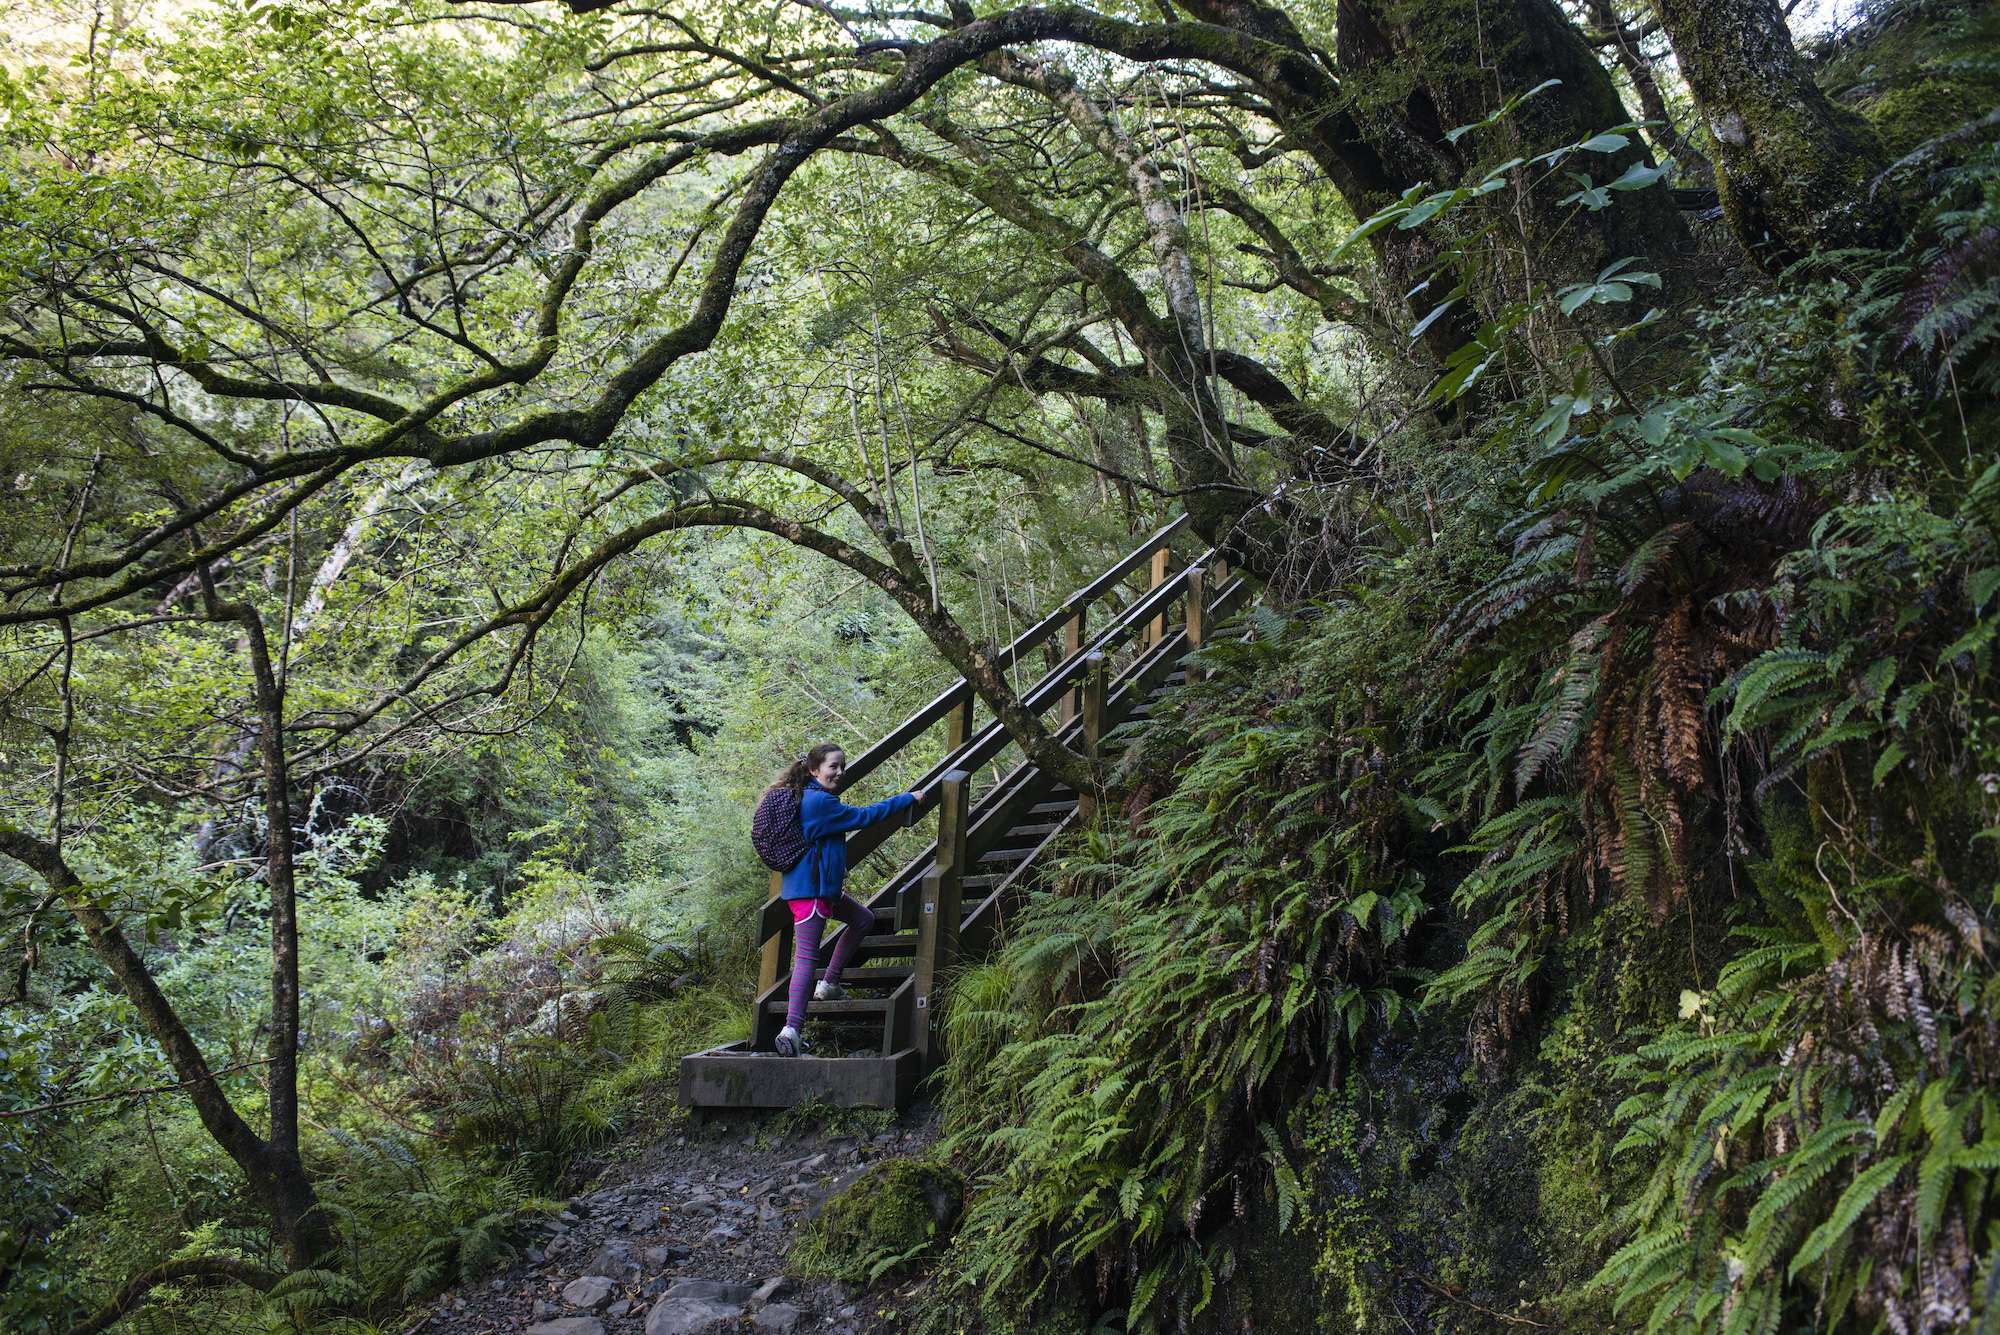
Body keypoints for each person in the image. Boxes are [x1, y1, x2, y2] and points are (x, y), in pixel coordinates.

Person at [764, 743, 917, 1057]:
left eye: (842, 766)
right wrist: (907, 799)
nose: (840, 772)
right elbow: (865, 816)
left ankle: (830, 983)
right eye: (833, 766)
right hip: (812, 892)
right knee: (806, 960)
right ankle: (791, 1030)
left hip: (819, 888)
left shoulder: (807, 797)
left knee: (863, 919)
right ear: (813, 770)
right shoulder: (819, 803)